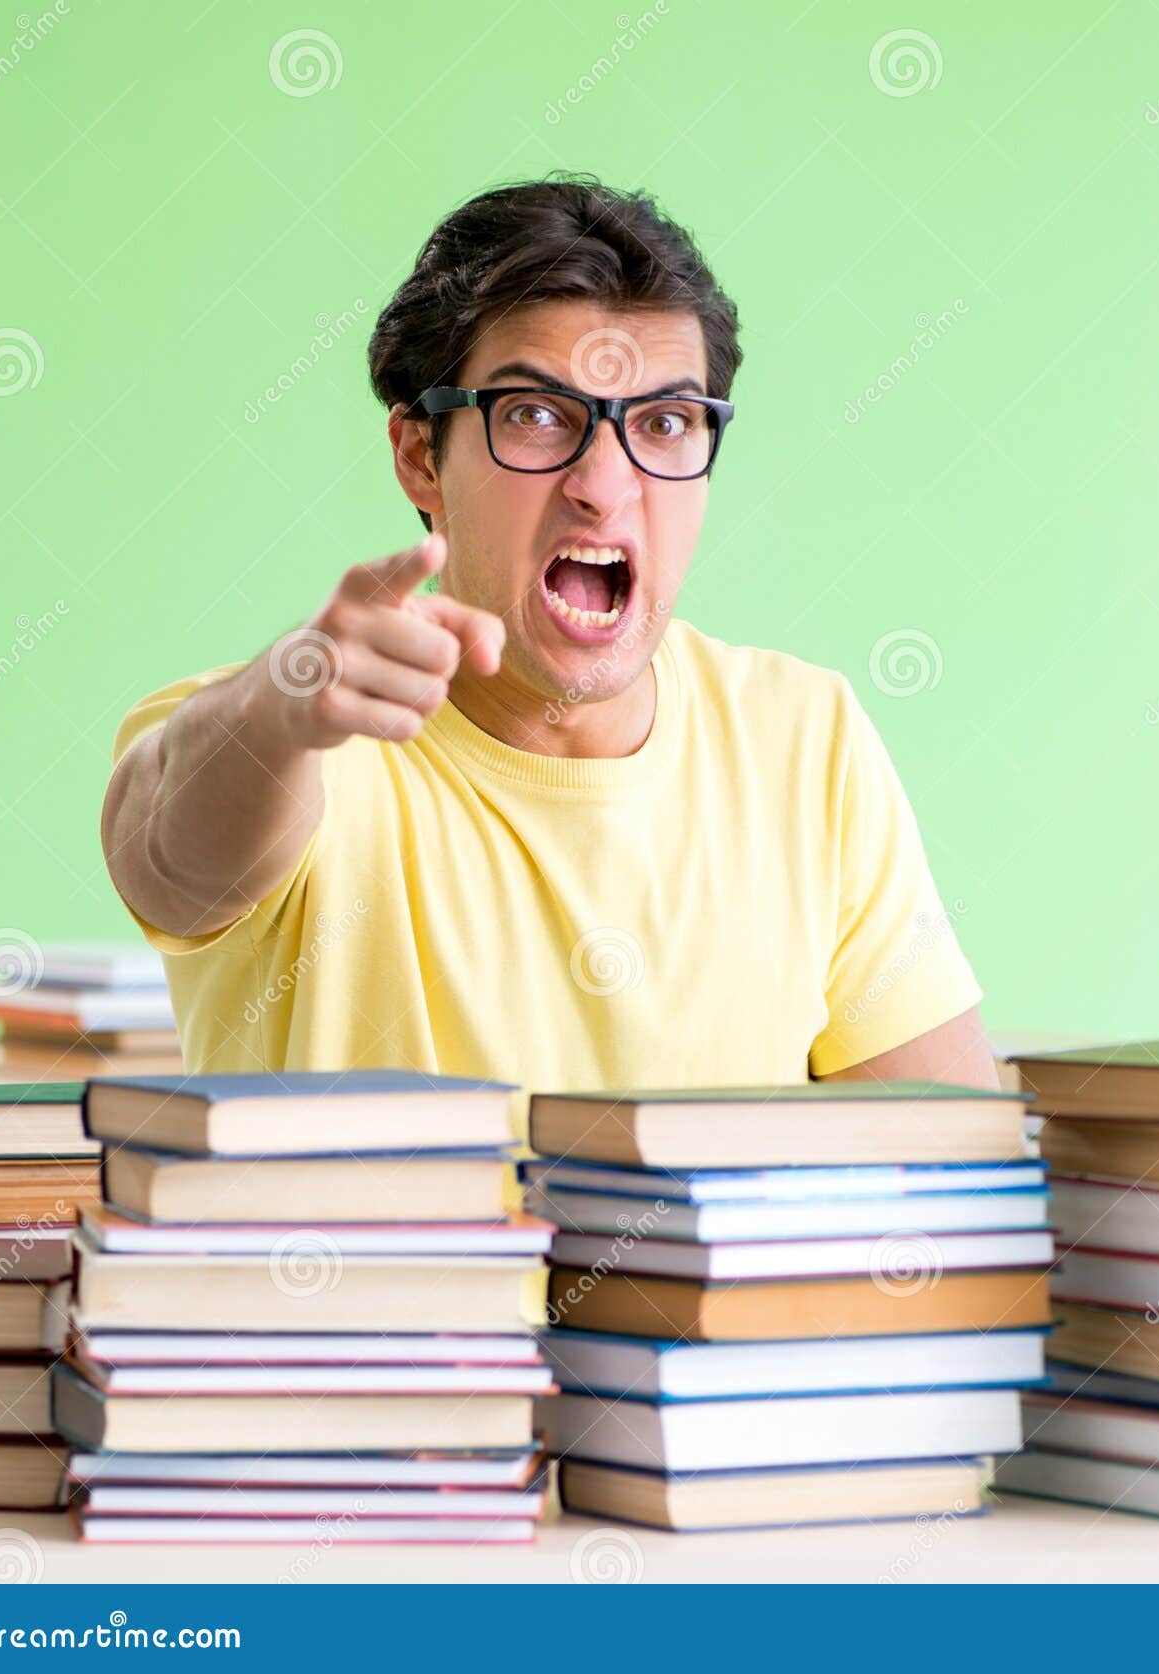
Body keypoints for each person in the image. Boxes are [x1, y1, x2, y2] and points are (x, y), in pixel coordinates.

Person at [100, 174, 995, 1100]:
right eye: (534, 415)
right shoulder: (288, 734)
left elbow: (944, 1144)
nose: (603, 487)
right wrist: (277, 711)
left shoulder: (805, 737)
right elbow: (170, 867)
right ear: (420, 457)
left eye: (665, 422)